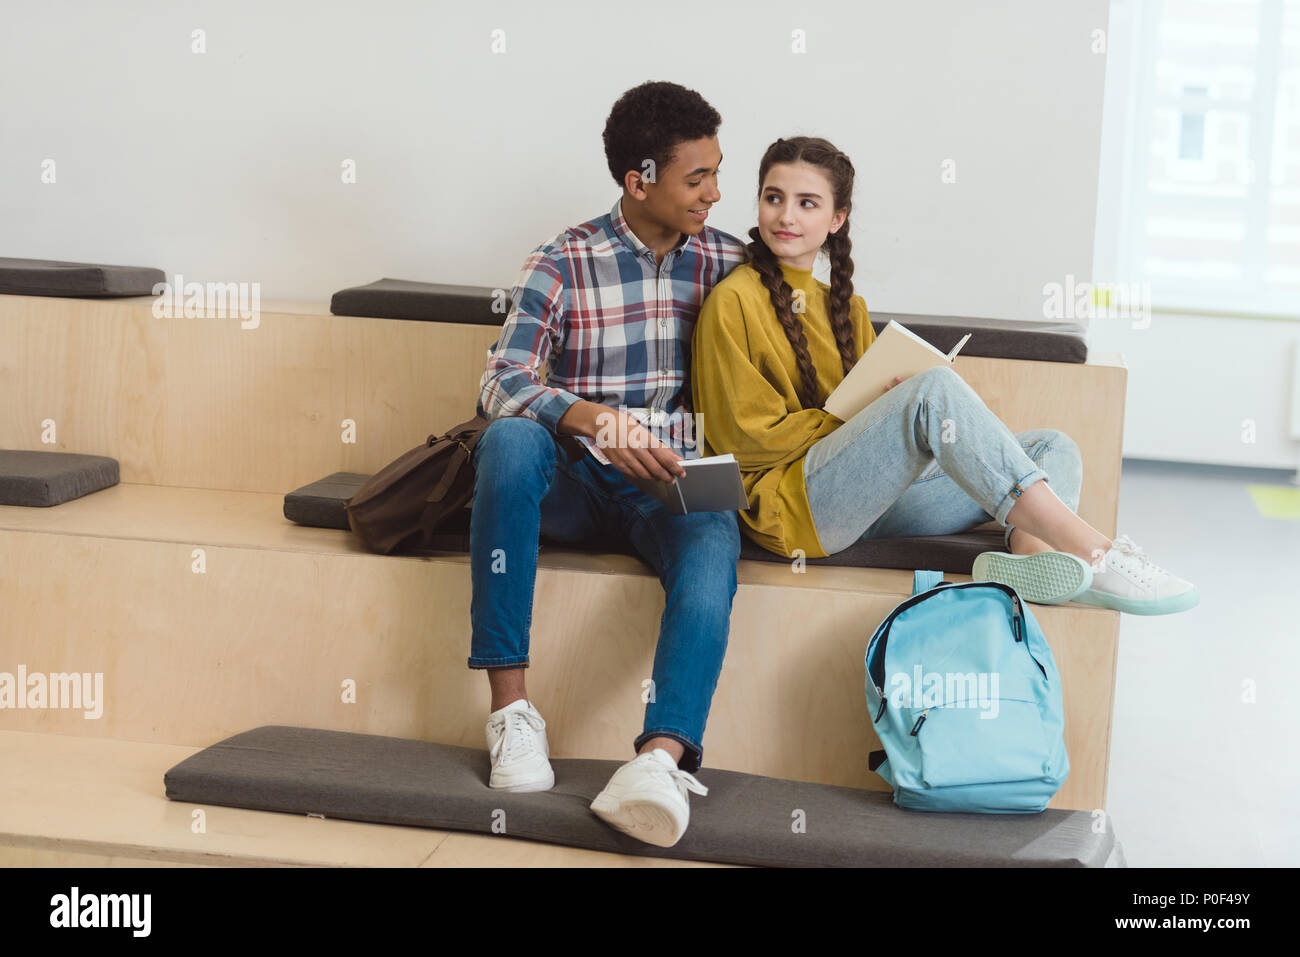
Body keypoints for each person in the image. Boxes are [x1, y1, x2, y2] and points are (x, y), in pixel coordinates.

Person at [690, 135, 1199, 616]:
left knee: (1054, 447)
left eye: (807, 203)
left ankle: (1027, 557)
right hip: (793, 508)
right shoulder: (732, 301)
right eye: (773, 197)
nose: (785, 215)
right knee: (932, 390)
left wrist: (880, 415)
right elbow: (741, 440)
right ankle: (1099, 554)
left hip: (867, 498)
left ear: (837, 218)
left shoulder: (846, 307)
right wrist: (872, 419)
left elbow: (858, 417)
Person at [468, 81, 749, 848]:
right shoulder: (562, 261)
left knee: (714, 529)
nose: (716, 194)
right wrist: (596, 420)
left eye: (718, 174)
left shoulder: (730, 263)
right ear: (639, 182)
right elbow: (501, 382)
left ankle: (661, 758)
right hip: (574, 475)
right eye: (699, 179)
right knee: (509, 439)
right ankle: (512, 713)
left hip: (668, 482)